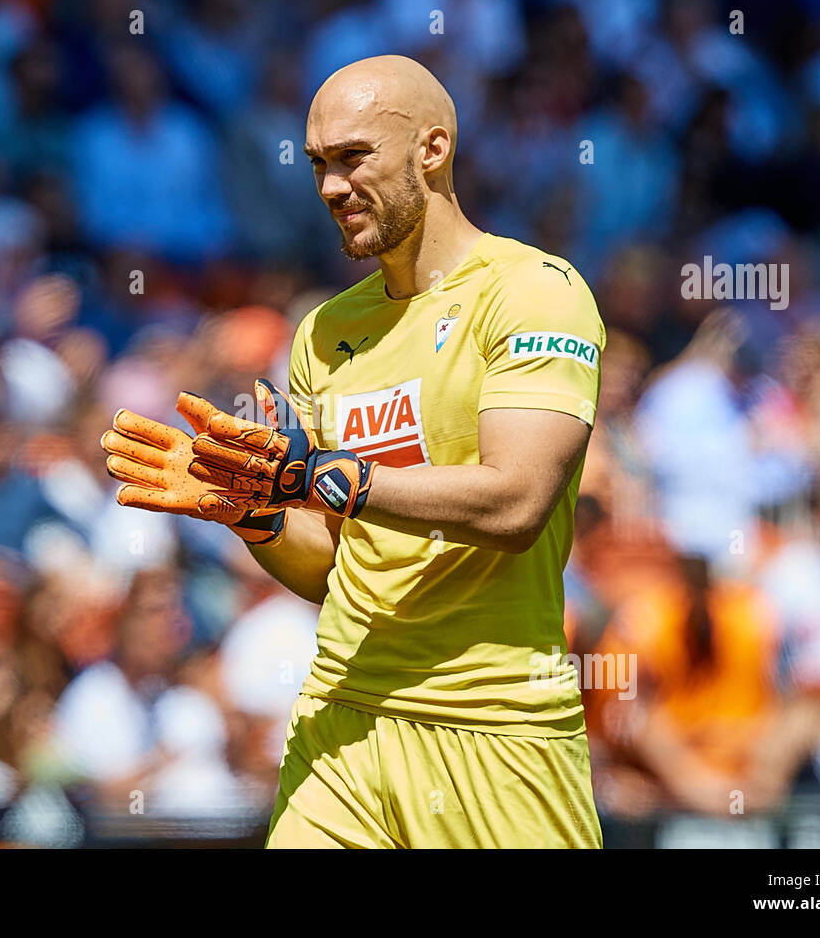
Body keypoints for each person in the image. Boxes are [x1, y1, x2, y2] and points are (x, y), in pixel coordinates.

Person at [100, 55, 605, 848]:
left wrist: (328, 477)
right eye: (318, 165)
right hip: (341, 721)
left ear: (432, 151)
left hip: (497, 731)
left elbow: (515, 502)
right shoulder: (324, 332)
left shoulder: (535, 290)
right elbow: (332, 563)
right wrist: (258, 516)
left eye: (353, 157)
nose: (331, 186)